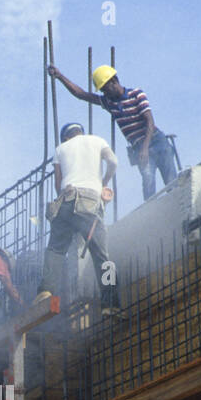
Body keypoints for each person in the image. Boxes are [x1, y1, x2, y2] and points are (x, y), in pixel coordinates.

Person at [49, 62, 176, 201]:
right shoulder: (110, 102)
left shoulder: (137, 94)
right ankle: (153, 214)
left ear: (114, 81)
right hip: (139, 146)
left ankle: (178, 204)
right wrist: (60, 76)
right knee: (148, 182)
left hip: (156, 141)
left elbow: (150, 122)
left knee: (171, 181)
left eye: (105, 89)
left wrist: (145, 148)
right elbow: (81, 94)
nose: (105, 93)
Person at [38, 122, 117, 305]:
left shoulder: (61, 148)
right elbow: (113, 161)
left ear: (65, 137)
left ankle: (45, 292)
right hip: (90, 203)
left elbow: (58, 184)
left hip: (65, 199)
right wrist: (103, 182)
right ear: (81, 132)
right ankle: (111, 303)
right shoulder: (97, 141)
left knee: (55, 249)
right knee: (101, 256)